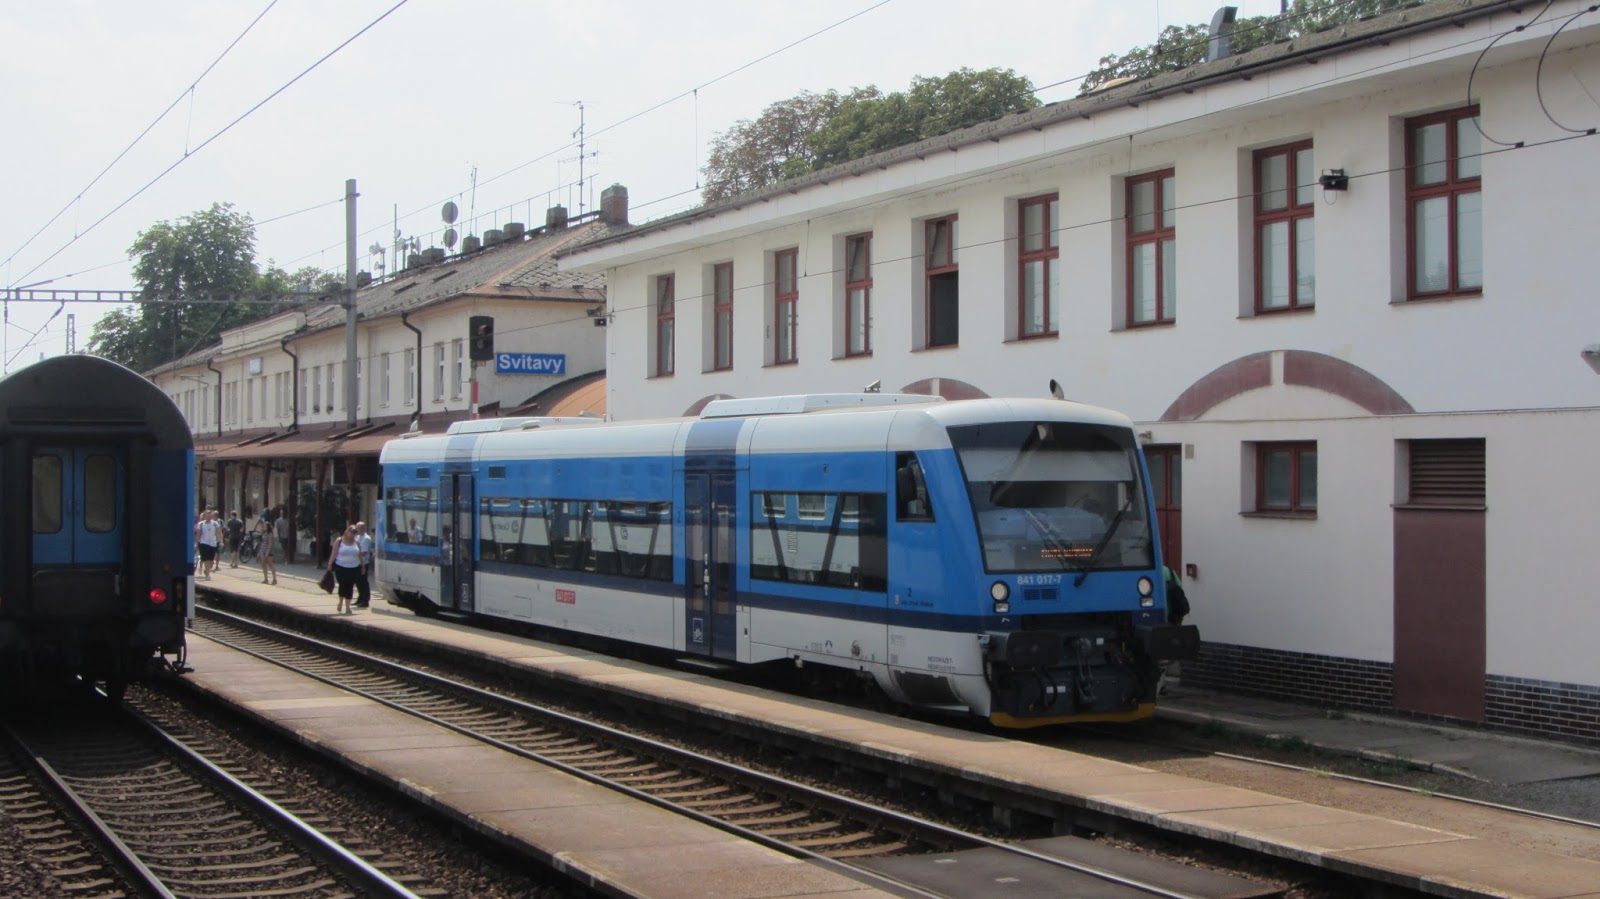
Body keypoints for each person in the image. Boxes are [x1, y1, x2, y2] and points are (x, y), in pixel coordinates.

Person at [1157, 565, 1190, 697]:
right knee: (1164, 655)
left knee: (1156, 655)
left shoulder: (1151, 570)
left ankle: (1158, 685)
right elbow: (1180, 591)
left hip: (1154, 619)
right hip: (1171, 620)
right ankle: (1161, 684)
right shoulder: (1170, 572)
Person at [326, 525, 365, 615]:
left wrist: (362, 566)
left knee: (350, 586)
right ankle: (340, 602)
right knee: (343, 585)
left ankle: (347, 607)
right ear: (347, 532)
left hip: (354, 567)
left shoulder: (356, 543)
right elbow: (334, 553)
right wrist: (330, 564)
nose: (353, 535)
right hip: (341, 567)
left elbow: (359, 555)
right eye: (352, 533)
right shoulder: (339, 541)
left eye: (355, 533)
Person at [196, 510, 222, 579]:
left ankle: (207, 570)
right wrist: (197, 543)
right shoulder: (201, 524)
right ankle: (208, 575)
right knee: (206, 559)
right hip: (203, 543)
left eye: (210, 515)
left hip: (213, 544)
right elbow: (198, 535)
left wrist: (221, 541)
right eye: (207, 515)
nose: (209, 517)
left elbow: (219, 533)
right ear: (204, 516)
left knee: (211, 561)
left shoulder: (215, 523)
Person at [354, 521, 374, 608]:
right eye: (356, 528)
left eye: (358, 528)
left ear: (363, 529)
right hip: (357, 562)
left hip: (363, 563)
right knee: (358, 582)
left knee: (363, 582)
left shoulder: (366, 538)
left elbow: (363, 552)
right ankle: (360, 598)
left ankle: (365, 600)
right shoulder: (358, 537)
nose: (357, 530)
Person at [257, 516, 279, 585]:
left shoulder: (270, 534)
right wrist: (260, 552)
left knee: (271, 565)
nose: (263, 528)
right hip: (262, 551)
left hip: (268, 553)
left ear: (268, 527)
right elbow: (262, 543)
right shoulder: (264, 534)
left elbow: (270, 544)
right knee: (263, 565)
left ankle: (274, 579)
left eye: (265, 527)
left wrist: (267, 553)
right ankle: (265, 579)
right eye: (263, 527)